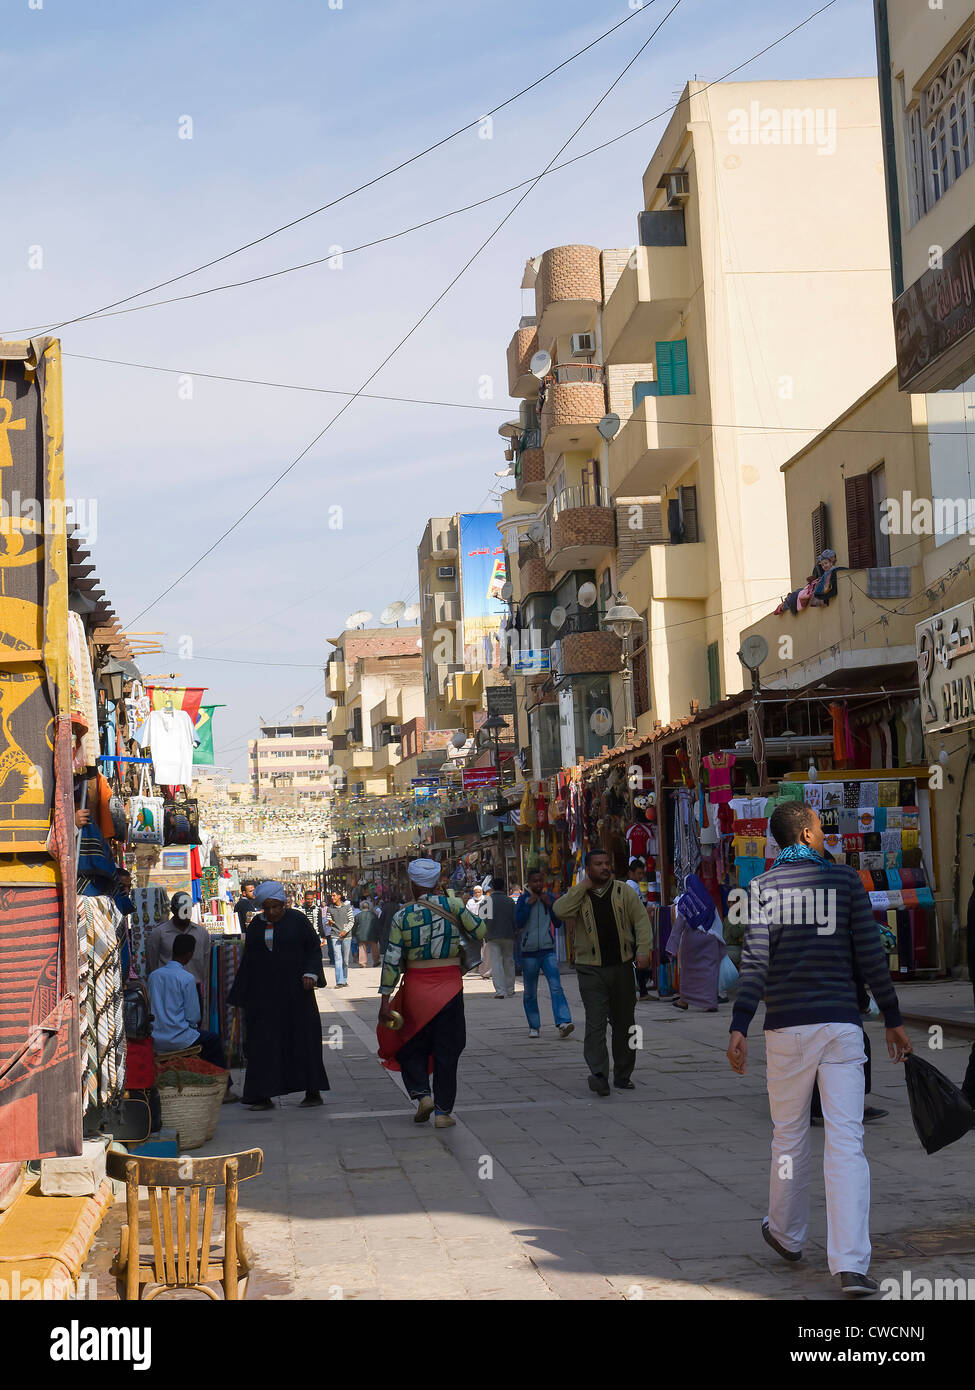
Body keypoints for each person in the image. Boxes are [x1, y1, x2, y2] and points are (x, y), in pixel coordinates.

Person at [726, 802, 912, 1298]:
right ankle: (850, 1265)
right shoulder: (847, 882)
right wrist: (892, 1019)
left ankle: (786, 1235)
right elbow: (871, 954)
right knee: (846, 1142)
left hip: (786, 1029)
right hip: (841, 1027)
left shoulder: (763, 888)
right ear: (808, 833)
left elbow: (756, 959)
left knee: (788, 1136)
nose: (825, 834)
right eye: (821, 827)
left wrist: (740, 1024)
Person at [377, 858, 487, 1128]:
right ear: (437, 882)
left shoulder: (402, 915)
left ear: (412, 884)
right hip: (450, 984)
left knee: (410, 1042)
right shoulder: (455, 906)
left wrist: (384, 999)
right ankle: (443, 1112)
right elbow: (481, 930)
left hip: (416, 986)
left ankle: (421, 1094)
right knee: (448, 1048)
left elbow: (391, 958)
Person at [553, 850, 651, 1095]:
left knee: (627, 1024)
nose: (605, 867)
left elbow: (641, 921)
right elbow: (559, 911)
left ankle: (624, 1073)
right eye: (598, 864)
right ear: (588, 869)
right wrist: (582, 886)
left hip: (622, 967)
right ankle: (598, 1074)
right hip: (590, 970)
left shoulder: (623, 891)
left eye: (607, 863)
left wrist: (643, 951)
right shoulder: (580, 895)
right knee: (595, 1022)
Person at [227, 880, 329, 1110]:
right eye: (268, 908)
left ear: (285, 904)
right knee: (263, 1043)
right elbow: (248, 962)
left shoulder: (298, 921)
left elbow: (313, 949)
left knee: (304, 1039)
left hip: (296, 994)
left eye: (277, 907)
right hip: (264, 997)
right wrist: (239, 995)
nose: (272, 912)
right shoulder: (255, 927)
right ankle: (262, 1095)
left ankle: (312, 1091)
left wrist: (311, 973)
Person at [148, 934, 237, 1102]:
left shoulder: (154, 976)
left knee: (206, 1040)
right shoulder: (187, 978)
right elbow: (194, 1016)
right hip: (179, 1038)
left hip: (157, 1038)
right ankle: (224, 1090)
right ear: (190, 954)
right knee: (213, 1041)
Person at [514, 869, 574, 1039]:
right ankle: (534, 1026)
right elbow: (518, 922)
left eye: (540, 881)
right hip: (529, 953)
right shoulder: (523, 899)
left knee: (556, 987)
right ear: (529, 883)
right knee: (530, 991)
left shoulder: (550, 898)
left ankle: (564, 1021)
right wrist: (528, 904)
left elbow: (558, 923)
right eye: (534, 881)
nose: (538, 884)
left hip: (548, 950)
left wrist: (551, 905)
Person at [146, 890, 209, 987]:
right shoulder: (159, 933)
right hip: (168, 988)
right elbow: (152, 964)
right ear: (173, 910)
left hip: (195, 987)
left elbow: (206, 964)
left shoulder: (201, 933)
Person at [484, 878, 517, 999]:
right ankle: (510, 989)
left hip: (492, 935)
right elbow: (515, 919)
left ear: (492, 887)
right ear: (504, 887)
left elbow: (482, 920)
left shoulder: (487, 901)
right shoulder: (510, 901)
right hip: (508, 934)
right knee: (509, 961)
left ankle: (500, 991)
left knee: (496, 963)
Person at [626, 859, 653, 1000]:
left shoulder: (629, 885)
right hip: (635, 927)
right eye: (639, 873)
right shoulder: (633, 886)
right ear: (631, 873)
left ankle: (641, 987)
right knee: (639, 958)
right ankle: (642, 989)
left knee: (635, 960)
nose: (641, 876)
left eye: (642, 873)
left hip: (631, 927)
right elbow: (638, 908)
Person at [327, 889, 355, 986]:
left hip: (346, 937)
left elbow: (352, 921)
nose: (332, 897)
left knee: (345, 960)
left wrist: (345, 931)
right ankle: (339, 981)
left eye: (334, 895)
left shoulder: (347, 908)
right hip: (335, 935)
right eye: (331, 896)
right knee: (337, 958)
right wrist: (329, 922)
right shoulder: (330, 909)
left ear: (339, 896)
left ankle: (344, 979)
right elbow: (328, 920)